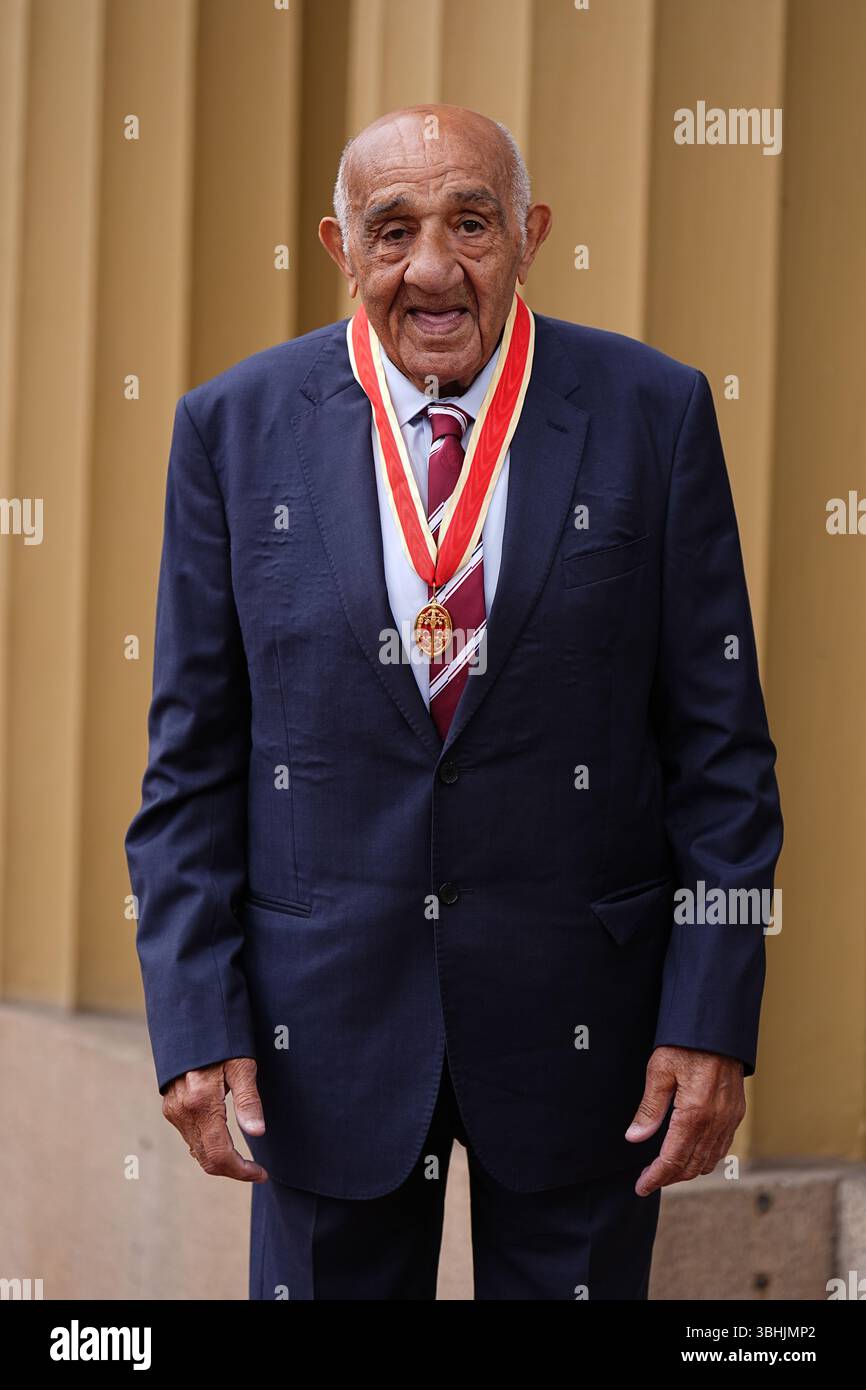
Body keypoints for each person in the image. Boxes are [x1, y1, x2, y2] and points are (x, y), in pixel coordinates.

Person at [125, 103, 783, 1301]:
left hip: (588, 1036)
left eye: (470, 223)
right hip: (317, 1038)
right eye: (392, 230)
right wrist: (192, 1017)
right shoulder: (231, 429)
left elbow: (720, 755)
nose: (432, 268)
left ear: (528, 234)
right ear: (338, 247)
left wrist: (709, 1017)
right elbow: (192, 762)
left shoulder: (653, 412)